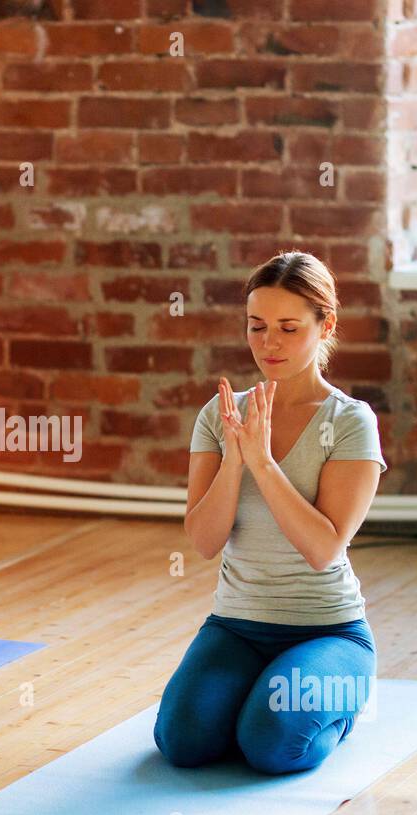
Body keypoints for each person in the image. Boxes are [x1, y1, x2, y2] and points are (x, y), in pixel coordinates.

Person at [154, 250, 387, 773]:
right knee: (182, 742)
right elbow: (204, 541)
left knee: (272, 745)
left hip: (327, 632)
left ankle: (343, 703)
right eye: (257, 327)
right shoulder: (221, 414)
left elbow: (323, 549)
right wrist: (234, 459)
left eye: (288, 327)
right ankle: (251, 696)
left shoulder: (351, 422)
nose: (269, 343)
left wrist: (262, 462)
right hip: (236, 627)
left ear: (325, 325)